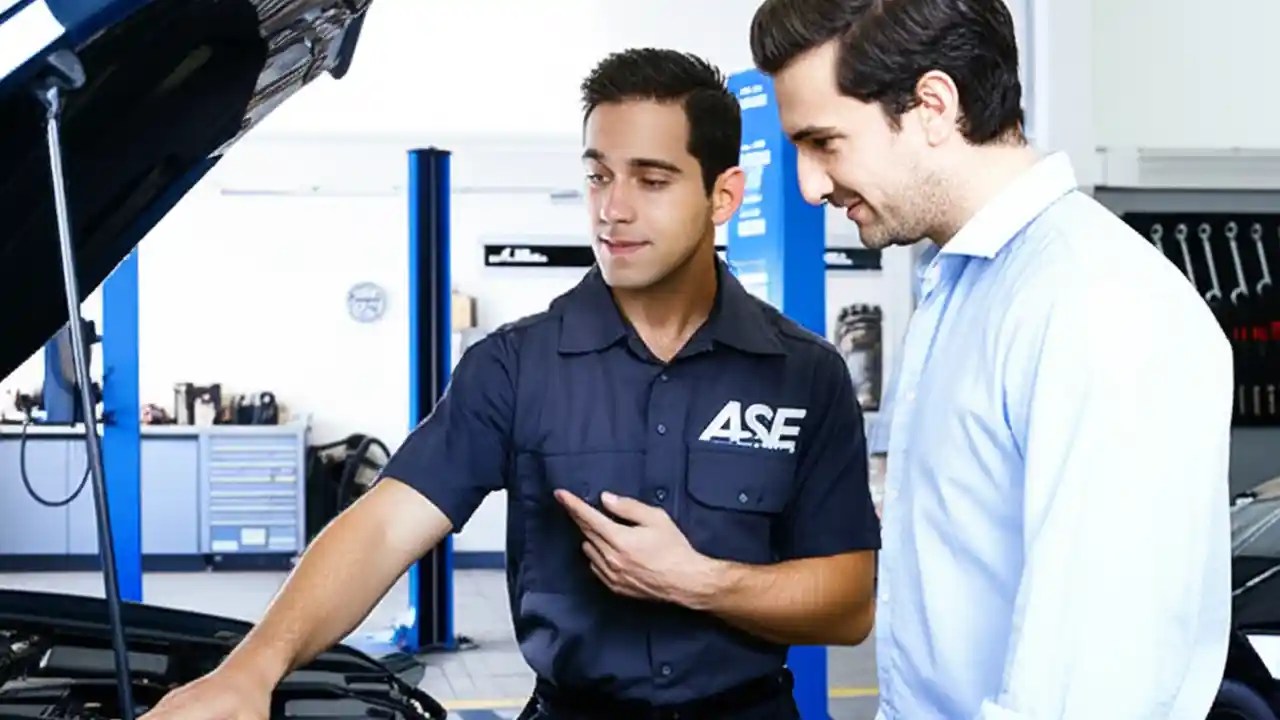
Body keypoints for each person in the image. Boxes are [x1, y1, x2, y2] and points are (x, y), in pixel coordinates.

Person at [139, 48, 880, 720]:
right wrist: (253, 667)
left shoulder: (803, 374)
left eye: (651, 180)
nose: (611, 209)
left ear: (723, 197)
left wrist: (697, 581)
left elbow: (848, 605)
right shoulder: (516, 366)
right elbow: (385, 525)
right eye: (597, 175)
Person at [748, 1, 1235, 718]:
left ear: (934, 107)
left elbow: (1095, 688)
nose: (811, 185)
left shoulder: (1096, 304)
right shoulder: (965, 288)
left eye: (824, 142)